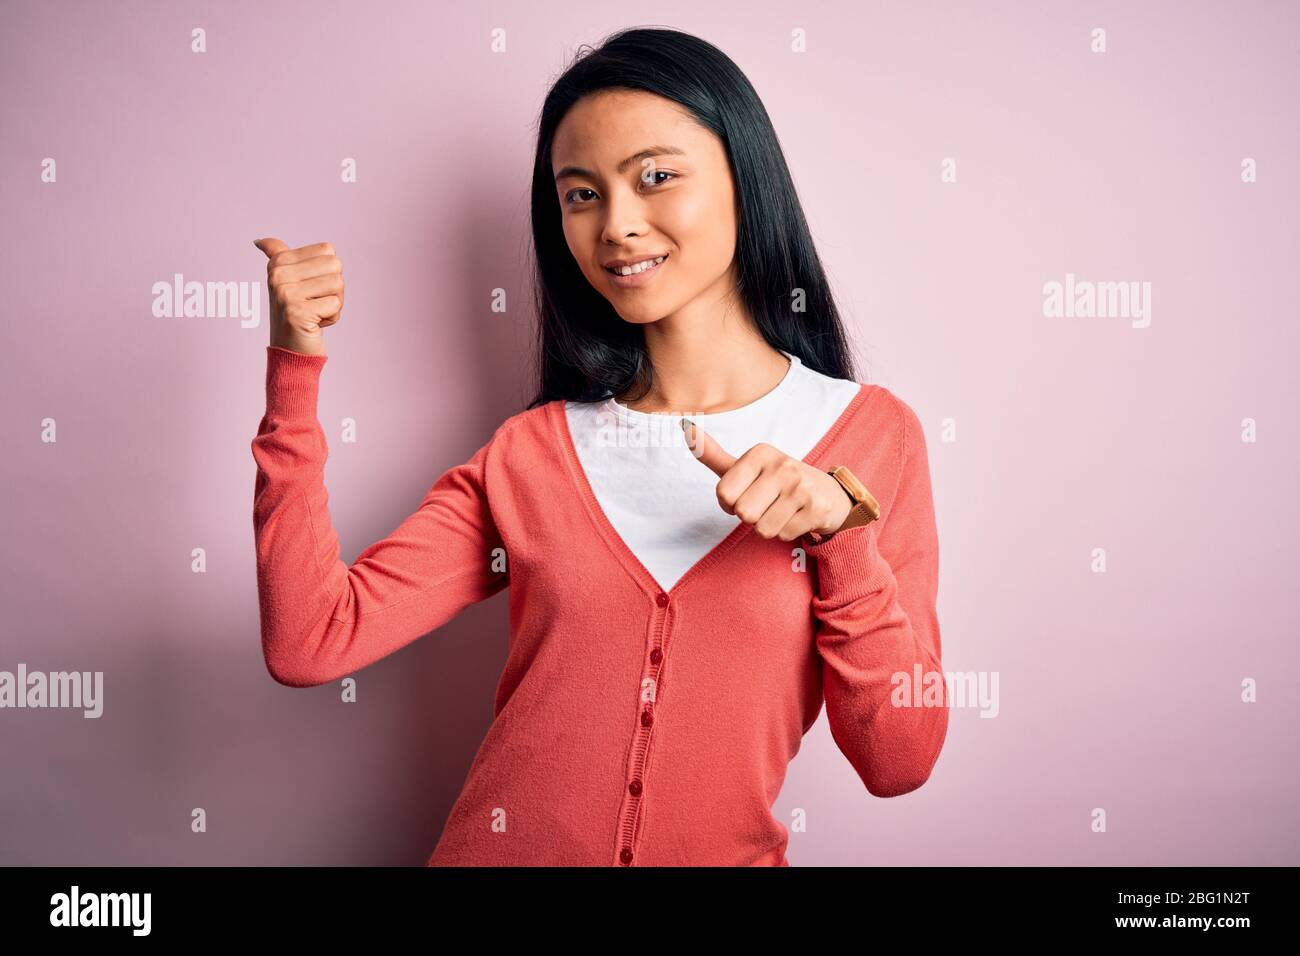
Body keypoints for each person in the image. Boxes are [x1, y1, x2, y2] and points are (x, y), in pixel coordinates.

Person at [251, 26, 948, 867]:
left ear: (745, 177)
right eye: (580, 194)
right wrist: (297, 368)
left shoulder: (875, 441)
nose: (617, 225)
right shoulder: (530, 456)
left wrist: (843, 541)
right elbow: (312, 640)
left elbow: (900, 761)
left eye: (656, 177)